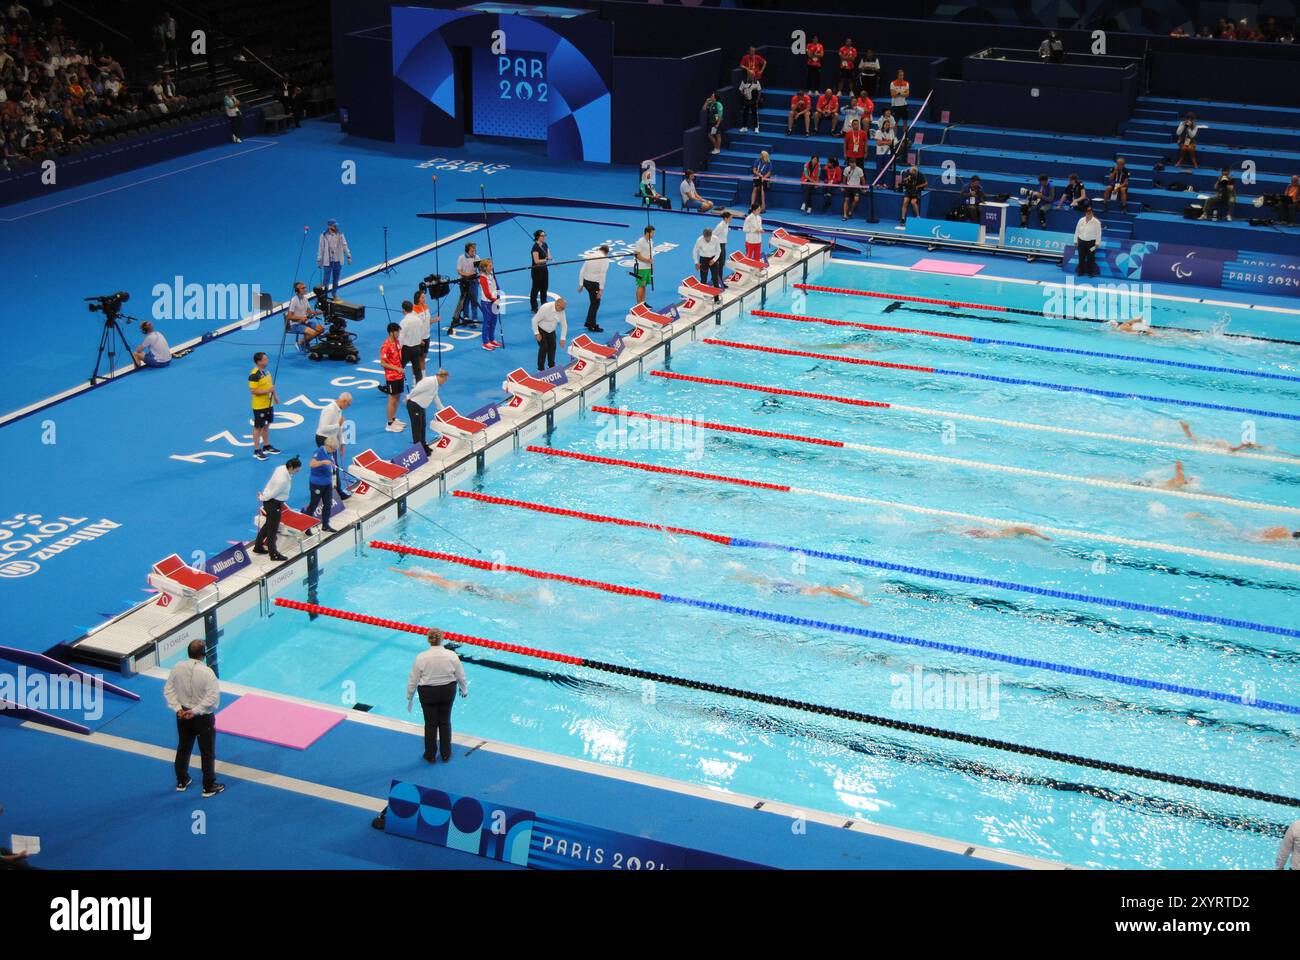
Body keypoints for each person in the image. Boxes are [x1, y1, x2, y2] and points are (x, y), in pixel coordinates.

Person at [164, 639, 224, 798]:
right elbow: (212, 698)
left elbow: (168, 690)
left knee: (183, 747)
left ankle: (182, 780)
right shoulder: (207, 672)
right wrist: (196, 711)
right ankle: (208, 786)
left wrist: (177, 709)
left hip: (182, 715)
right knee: (207, 751)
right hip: (202, 717)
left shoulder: (177, 667)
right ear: (203, 655)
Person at [406, 627, 468, 763]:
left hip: (428, 693)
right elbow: (461, 676)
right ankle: (446, 754)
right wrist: (464, 689)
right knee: (445, 722)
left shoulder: (421, 657)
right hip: (447, 691)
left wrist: (410, 695)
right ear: (442, 639)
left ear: (429, 640)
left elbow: (413, 679)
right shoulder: (452, 655)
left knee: (430, 724)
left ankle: (430, 754)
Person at [728, 566, 871, 607]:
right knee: (759, 582)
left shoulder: (819, 589)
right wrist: (859, 601)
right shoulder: (825, 590)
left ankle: (736, 571)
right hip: (791, 591)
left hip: (792, 588)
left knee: (760, 580)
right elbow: (841, 594)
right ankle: (735, 573)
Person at [254, 455, 300, 561]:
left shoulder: (281, 468)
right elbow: (272, 493)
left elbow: (270, 484)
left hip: (270, 502)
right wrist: (262, 497)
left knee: (268, 525)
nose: (298, 471)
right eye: (297, 470)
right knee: (272, 530)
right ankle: (273, 554)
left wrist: (264, 494)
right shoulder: (283, 481)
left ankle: (258, 547)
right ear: (292, 468)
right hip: (273, 504)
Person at [315, 392, 353, 500]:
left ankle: (335, 490)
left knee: (333, 467)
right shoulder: (330, 410)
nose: (348, 407)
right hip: (323, 439)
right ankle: (334, 491)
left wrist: (342, 444)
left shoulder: (339, 409)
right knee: (332, 467)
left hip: (332, 440)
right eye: (348, 404)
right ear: (344, 401)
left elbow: (338, 429)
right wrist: (338, 424)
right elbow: (323, 428)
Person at [407, 367, 448, 455]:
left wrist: (442, 409)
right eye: (444, 380)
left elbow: (435, 396)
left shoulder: (436, 384)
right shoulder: (428, 381)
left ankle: (423, 445)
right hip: (414, 405)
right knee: (417, 428)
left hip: (421, 407)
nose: (444, 383)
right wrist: (408, 397)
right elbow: (417, 388)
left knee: (422, 426)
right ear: (441, 377)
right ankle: (418, 450)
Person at [247, 351, 279, 461]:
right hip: (259, 406)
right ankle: (257, 450)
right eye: (265, 359)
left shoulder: (266, 372)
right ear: (259, 362)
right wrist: (267, 390)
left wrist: (275, 396)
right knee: (258, 427)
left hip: (269, 404)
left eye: (267, 358)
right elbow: (253, 391)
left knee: (267, 426)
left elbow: (271, 386)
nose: (267, 361)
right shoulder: (254, 375)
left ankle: (266, 446)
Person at [304, 437, 339, 532]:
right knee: (313, 505)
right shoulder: (319, 452)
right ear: (328, 446)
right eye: (333, 449)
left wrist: (333, 482)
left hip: (327, 483)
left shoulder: (330, 452)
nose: (334, 451)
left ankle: (325, 525)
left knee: (328, 504)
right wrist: (323, 462)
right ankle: (307, 527)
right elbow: (311, 464)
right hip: (317, 484)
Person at [378, 322, 406, 432]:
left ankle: (393, 419)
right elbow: (383, 363)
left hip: (400, 375)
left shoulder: (397, 342)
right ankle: (389, 423)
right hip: (392, 377)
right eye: (397, 331)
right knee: (392, 399)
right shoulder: (386, 346)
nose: (399, 333)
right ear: (391, 332)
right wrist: (396, 369)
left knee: (397, 397)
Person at [578, 244, 610, 332]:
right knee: (595, 304)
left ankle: (588, 322)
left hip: (586, 283)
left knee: (593, 302)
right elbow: (602, 274)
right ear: (606, 253)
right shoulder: (605, 259)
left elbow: (582, 271)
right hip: (594, 284)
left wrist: (581, 284)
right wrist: (601, 289)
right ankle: (592, 325)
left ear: (599, 249)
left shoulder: (590, 255)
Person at [316, 219, 351, 298]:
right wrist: (319, 260)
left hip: (337, 261)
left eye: (336, 225)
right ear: (329, 226)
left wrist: (348, 256)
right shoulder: (323, 235)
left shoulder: (340, 234)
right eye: (334, 225)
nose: (336, 226)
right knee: (326, 280)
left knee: (336, 279)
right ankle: (324, 295)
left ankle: (334, 293)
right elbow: (320, 248)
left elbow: (344, 245)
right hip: (327, 261)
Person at [286, 281, 324, 350]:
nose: (305, 289)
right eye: (303, 288)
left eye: (305, 287)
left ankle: (305, 342)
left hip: (305, 322)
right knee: (313, 333)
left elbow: (309, 312)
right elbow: (289, 317)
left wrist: (319, 312)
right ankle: (300, 343)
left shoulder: (305, 298)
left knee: (321, 329)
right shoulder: (294, 300)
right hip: (295, 325)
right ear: (297, 290)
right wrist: (301, 318)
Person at [450, 242, 480, 329]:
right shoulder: (461, 258)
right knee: (465, 301)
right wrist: (467, 275)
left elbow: (479, 269)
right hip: (464, 282)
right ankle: (466, 318)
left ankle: (474, 319)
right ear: (467, 250)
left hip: (474, 282)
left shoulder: (477, 257)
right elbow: (459, 270)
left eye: (474, 249)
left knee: (474, 300)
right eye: (472, 250)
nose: (474, 251)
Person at [532, 297, 567, 371]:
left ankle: (551, 367)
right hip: (541, 330)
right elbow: (534, 320)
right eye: (562, 308)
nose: (563, 310)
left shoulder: (561, 310)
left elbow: (564, 325)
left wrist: (562, 338)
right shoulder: (545, 308)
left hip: (551, 331)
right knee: (544, 347)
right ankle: (540, 369)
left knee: (553, 347)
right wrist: (536, 333)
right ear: (557, 305)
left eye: (564, 308)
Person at [398, 299, 425, 384]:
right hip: (417, 348)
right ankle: (419, 386)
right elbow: (421, 332)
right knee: (417, 369)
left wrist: (398, 349)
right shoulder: (418, 319)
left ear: (403, 310)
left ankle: (397, 385)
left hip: (406, 349)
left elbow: (401, 337)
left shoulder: (404, 322)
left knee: (399, 367)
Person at [477, 258, 503, 349]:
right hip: (487, 303)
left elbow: (497, 286)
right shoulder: (482, 277)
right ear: (485, 267)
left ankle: (492, 339)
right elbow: (486, 293)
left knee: (494, 321)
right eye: (490, 266)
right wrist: (494, 299)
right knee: (487, 322)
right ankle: (485, 342)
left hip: (495, 301)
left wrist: (499, 296)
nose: (492, 267)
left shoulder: (492, 274)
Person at [1074, 205, 1102, 277]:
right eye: (1087, 213)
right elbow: (1077, 231)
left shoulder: (1096, 222)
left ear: (1092, 213)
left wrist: (1097, 243)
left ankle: (1091, 273)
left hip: (1091, 243)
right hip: (1081, 242)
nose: (1088, 214)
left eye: (1090, 213)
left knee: (1091, 258)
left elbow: (1099, 233)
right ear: (1085, 213)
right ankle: (1081, 272)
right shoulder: (1081, 220)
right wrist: (1075, 240)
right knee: (1081, 257)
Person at [529, 228, 552, 313]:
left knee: (545, 287)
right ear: (538, 237)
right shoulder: (535, 247)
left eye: (545, 235)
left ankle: (544, 302)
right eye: (542, 236)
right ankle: (534, 307)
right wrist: (546, 259)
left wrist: (548, 257)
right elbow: (536, 261)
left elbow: (549, 254)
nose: (544, 237)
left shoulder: (545, 244)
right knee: (535, 289)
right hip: (536, 270)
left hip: (544, 269)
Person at [634, 225, 655, 305]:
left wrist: (652, 265)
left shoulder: (651, 241)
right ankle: (638, 304)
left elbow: (651, 255)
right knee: (641, 285)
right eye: (652, 233)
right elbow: (637, 255)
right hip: (641, 268)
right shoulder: (640, 241)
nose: (653, 235)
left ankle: (643, 302)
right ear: (647, 233)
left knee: (644, 285)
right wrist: (647, 260)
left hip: (648, 267)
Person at [874, 113, 897, 182]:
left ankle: (884, 183)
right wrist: (887, 142)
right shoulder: (878, 132)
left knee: (885, 169)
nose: (887, 126)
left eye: (888, 125)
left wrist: (883, 142)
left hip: (887, 153)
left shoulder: (891, 132)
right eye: (886, 125)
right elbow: (878, 143)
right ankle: (878, 182)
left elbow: (892, 142)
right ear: (883, 125)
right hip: (880, 153)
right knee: (878, 168)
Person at [702, 91, 723, 155]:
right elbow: (703, 109)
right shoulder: (710, 103)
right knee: (710, 135)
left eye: (712, 96)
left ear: (715, 98)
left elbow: (720, 115)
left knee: (717, 135)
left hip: (716, 122)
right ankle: (716, 148)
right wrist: (706, 102)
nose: (711, 97)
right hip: (710, 122)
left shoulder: (718, 104)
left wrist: (717, 124)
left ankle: (717, 149)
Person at [964, 525, 1050, 540]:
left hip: (990, 534)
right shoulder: (1019, 529)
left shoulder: (1016, 530)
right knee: (963, 533)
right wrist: (1042, 537)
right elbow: (1030, 531)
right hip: (990, 535)